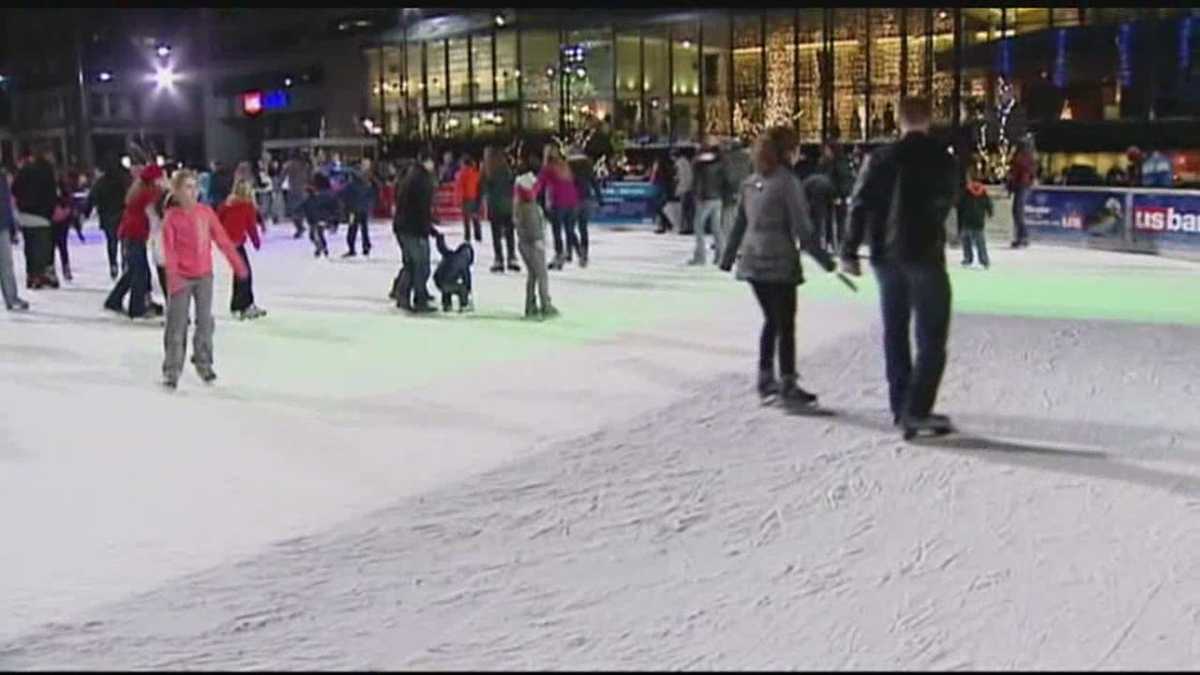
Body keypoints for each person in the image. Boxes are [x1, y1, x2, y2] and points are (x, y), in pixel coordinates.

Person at [839, 96, 959, 438]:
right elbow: (949, 199)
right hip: (923, 253)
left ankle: (901, 405)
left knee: (896, 330)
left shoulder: (880, 158)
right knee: (932, 334)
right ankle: (916, 409)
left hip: (886, 256)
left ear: (900, 121)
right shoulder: (942, 158)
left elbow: (858, 203)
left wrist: (849, 249)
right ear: (929, 118)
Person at [719, 126, 836, 405]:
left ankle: (765, 377)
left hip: (752, 262)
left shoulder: (751, 182)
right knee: (785, 323)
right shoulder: (787, 182)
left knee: (773, 320)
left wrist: (727, 257)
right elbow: (802, 228)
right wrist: (825, 260)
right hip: (779, 261)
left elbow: (739, 224)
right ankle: (786, 381)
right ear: (786, 152)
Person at [159, 169, 249, 389]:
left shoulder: (205, 213)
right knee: (176, 325)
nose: (193, 192)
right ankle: (172, 369)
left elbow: (222, 239)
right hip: (181, 277)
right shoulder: (171, 217)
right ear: (178, 191)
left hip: (204, 276)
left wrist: (237, 263)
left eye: (195, 187)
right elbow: (169, 251)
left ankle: (204, 362)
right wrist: (173, 278)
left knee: (205, 322)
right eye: (188, 187)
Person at [105, 164, 166, 319]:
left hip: (131, 233)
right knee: (140, 271)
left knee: (134, 270)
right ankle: (137, 306)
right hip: (135, 234)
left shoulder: (138, 190)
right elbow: (161, 204)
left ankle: (115, 299)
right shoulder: (149, 192)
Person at [391, 152, 438, 313]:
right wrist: (426, 228)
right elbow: (421, 207)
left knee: (411, 264)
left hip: (405, 226)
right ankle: (418, 298)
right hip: (413, 228)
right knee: (420, 265)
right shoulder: (421, 179)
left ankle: (403, 294)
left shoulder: (413, 175)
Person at [10, 145, 58, 290]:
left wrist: (21, 202)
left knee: (30, 246)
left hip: (25, 213)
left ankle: (31, 275)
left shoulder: (24, 169)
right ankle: (39, 275)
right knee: (42, 247)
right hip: (42, 214)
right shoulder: (47, 170)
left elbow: (14, 188)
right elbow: (51, 192)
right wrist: (52, 208)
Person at [217, 179, 267, 319]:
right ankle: (244, 305)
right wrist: (256, 241)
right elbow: (250, 226)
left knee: (241, 273)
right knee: (245, 274)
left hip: (228, 242)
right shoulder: (246, 206)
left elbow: (217, 219)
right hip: (235, 243)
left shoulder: (227, 204)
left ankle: (239, 305)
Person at [514, 165, 557, 319]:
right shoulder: (528, 206)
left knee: (533, 275)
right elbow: (533, 226)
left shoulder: (521, 205)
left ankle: (531, 305)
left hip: (526, 243)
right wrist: (538, 240)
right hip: (532, 244)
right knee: (541, 274)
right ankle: (545, 304)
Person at [534, 148, 580, 270]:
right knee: (569, 228)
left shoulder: (548, 168)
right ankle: (578, 252)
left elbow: (539, 184)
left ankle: (560, 254)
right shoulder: (565, 166)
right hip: (572, 201)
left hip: (558, 201)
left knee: (557, 230)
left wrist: (529, 194)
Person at [86, 158, 132, 279]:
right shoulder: (123, 181)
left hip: (107, 216)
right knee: (124, 242)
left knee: (112, 242)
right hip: (122, 214)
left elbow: (92, 198)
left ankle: (113, 263)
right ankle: (125, 263)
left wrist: (87, 211)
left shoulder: (101, 182)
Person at [481, 146, 519, 273]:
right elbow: (513, 183)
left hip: (494, 205)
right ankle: (512, 257)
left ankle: (499, 259)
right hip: (507, 204)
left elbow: (482, 188)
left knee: (496, 234)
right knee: (509, 232)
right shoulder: (507, 168)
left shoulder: (487, 170)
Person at [689, 137, 724, 266]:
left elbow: (697, 181)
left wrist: (696, 195)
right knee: (716, 228)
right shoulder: (721, 162)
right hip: (717, 197)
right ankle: (720, 256)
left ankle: (700, 257)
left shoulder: (700, 163)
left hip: (705, 198)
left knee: (698, 226)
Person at [0, 168, 30, 311]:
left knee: (6, 264)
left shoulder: (3, 177)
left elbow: (8, 203)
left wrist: (12, 225)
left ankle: (11, 297)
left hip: (3, 226)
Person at [718, 138, 752, 264]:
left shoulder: (726, 159)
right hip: (747, 193)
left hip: (730, 195)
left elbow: (727, 176)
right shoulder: (749, 158)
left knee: (728, 223)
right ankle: (744, 248)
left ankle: (732, 248)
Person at [567, 146, 601, 268]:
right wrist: (599, 197)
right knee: (583, 228)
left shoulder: (567, 165)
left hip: (572, 199)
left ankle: (578, 251)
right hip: (586, 197)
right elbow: (594, 181)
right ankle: (583, 253)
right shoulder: (587, 165)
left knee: (569, 227)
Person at [958, 165, 993, 269]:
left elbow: (959, 203)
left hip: (967, 220)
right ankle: (984, 260)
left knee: (966, 242)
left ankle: (968, 259)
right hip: (979, 221)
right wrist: (990, 212)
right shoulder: (983, 192)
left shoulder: (966, 191)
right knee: (980, 242)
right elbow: (988, 204)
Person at [432, 230, 474, 313]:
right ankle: (464, 305)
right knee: (462, 288)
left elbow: (442, 248)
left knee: (448, 284)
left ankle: (447, 304)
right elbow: (466, 278)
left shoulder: (450, 254)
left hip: (438, 280)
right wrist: (468, 289)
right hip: (445, 282)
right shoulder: (463, 263)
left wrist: (439, 239)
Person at [301, 172, 340, 258]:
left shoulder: (320, 194)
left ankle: (321, 247)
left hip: (319, 217)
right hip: (320, 217)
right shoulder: (327, 193)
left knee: (315, 233)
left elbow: (308, 205)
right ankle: (322, 247)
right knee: (318, 233)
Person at [342, 159, 375, 258]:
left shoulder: (351, 184)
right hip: (363, 209)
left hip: (354, 209)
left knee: (352, 229)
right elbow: (371, 195)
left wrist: (346, 207)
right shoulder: (367, 183)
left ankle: (352, 248)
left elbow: (346, 196)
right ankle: (366, 246)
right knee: (364, 229)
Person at [1006, 138, 1035, 248]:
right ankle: (1021, 236)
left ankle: (1023, 237)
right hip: (1021, 185)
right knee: (1017, 212)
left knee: (1018, 212)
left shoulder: (1024, 157)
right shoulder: (1022, 156)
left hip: (1022, 185)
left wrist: (1013, 184)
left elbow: (1018, 171)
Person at [49, 173, 78, 282]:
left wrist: (66, 211)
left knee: (62, 245)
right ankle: (51, 269)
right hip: (52, 219)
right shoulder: (47, 188)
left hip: (62, 221)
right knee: (51, 246)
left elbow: (69, 201)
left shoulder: (64, 188)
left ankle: (65, 267)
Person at [454, 155, 483, 243]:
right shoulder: (476, 173)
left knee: (466, 219)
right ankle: (478, 236)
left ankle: (467, 236)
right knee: (476, 218)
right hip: (475, 198)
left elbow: (459, 188)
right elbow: (479, 186)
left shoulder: (461, 174)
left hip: (465, 199)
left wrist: (458, 200)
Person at [284, 152, 312, 239]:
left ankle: (299, 227)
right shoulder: (306, 166)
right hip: (303, 190)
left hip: (294, 190)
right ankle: (302, 226)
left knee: (294, 210)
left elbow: (283, 175)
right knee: (302, 210)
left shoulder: (290, 165)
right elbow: (310, 177)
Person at [673, 148, 695, 235]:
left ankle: (683, 228)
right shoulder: (687, 162)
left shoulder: (678, 164)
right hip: (690, 189)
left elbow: (679, 177)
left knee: (683, 210)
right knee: (689, 210)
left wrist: (676, 187)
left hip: (683, 189)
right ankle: (690, 227)